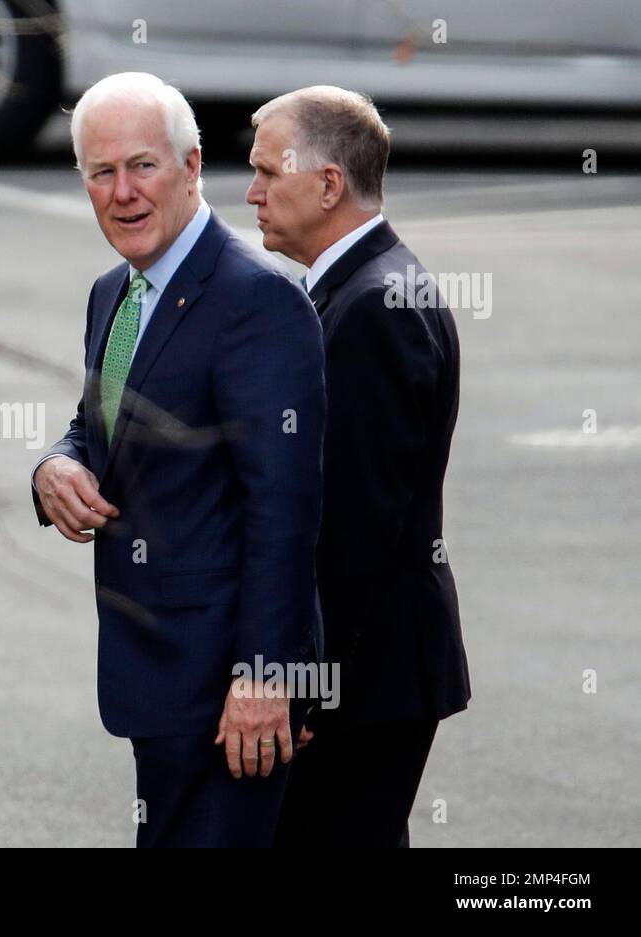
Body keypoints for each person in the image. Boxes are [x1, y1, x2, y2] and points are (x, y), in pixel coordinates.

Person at [31, 72, 326, 847]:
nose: (122, 192)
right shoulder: (115, 291)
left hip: (229, 692)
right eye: (101, 172)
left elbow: (285, 508)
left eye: (143, 166)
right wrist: (57, 466)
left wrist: (264, 676)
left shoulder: (256, 298)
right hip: (157, 678)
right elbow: (100, 424)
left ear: (193, 166)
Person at [246, 85, 471, 847]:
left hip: (366, 679)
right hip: (374, 671)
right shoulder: (363, 288)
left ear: (328, 183)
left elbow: (351, 528)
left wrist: (302, 687)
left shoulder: (374, 307)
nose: (251, 194)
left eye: (267, 174)